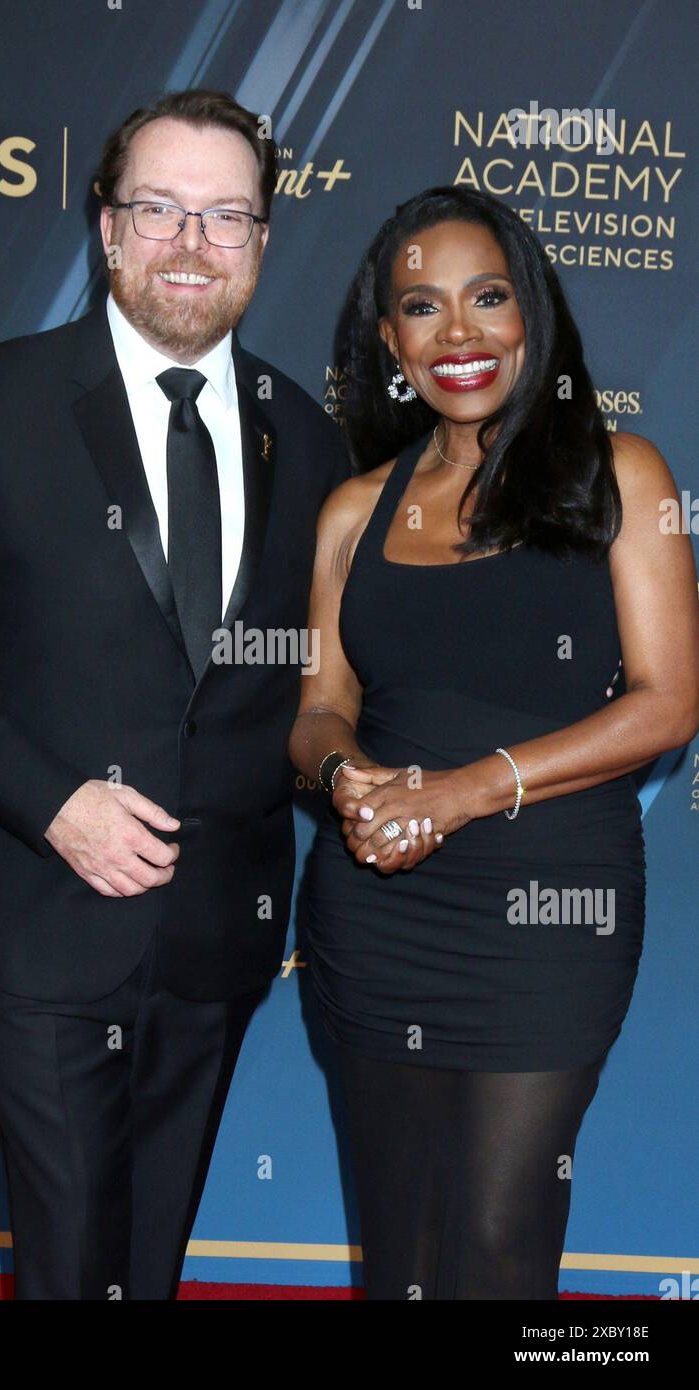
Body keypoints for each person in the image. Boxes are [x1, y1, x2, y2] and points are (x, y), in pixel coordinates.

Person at [0, 89, 350, 1300]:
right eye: (161, 209)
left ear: (263, 241)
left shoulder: (310, 439)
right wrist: (55, 801)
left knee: (145, 1265)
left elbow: (313, 680)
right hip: (30, 915)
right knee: (70, 1264)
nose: (192, 243)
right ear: (107, 228)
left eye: (226, 217)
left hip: (215, 935)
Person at [289, 186, 699, 1300]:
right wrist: (343, 774)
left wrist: (465, 791)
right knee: (402, 1252)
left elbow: (668, 704)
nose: (457, 333)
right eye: (420, 307)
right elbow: (316, 702)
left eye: (485, 298)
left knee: (496, 1242)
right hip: (379, 908)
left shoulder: (621, 475)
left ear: (532, 314)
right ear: (388, 341)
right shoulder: (351, 510)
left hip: (547, 910)